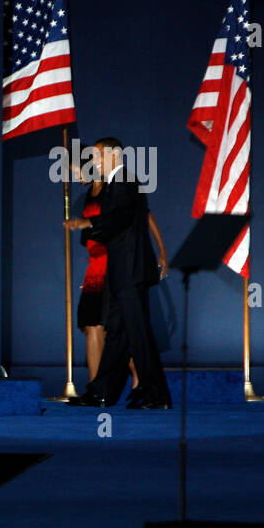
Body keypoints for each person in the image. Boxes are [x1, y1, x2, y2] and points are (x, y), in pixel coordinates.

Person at [66, 138, 172, 409]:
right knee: (117, 334)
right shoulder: (116, 182)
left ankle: (156, 396)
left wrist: (87, 221)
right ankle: (102, 392)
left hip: (130, 270)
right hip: (119, 270)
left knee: (138, 334)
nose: (94, 161)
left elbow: (122, 216)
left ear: (114, 154)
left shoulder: (125, 179)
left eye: (97, 156)